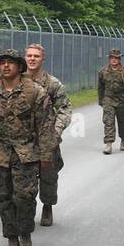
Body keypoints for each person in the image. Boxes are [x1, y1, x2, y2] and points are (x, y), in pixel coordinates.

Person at [0, 49, 56, 246]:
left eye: (11, 62)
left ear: (20, 66)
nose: (6, 66)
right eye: (2, 63)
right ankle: (11, 238)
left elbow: (45, 126)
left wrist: (46, 156)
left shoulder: (35, 92)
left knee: (25, 197)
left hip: (26, 154)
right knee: (3, 197)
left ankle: (25, 238)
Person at [24, 43, 72, 227]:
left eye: (36, 56)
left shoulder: (52, 84)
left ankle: (47, 205)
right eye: (29, 56)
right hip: (24, 139)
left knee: (48, 176)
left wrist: (55, 131)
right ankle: (26, 210)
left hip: (47, 139)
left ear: (43, 59)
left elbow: (65, 108)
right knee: (24, 178)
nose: (32, 59)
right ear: (25, 58)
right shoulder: (18, 80)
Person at [97, 48, 124, 154]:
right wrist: (101, 100)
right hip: (108, 100)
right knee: (108, 121)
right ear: (109, 59)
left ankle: (123, 140)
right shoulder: (103, 71)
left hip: (122, 100)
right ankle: (108, 144)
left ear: (119, 59)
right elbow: (100, 87)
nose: (114, 60)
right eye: (112, 58)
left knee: (123, 122)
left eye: (116, 58)